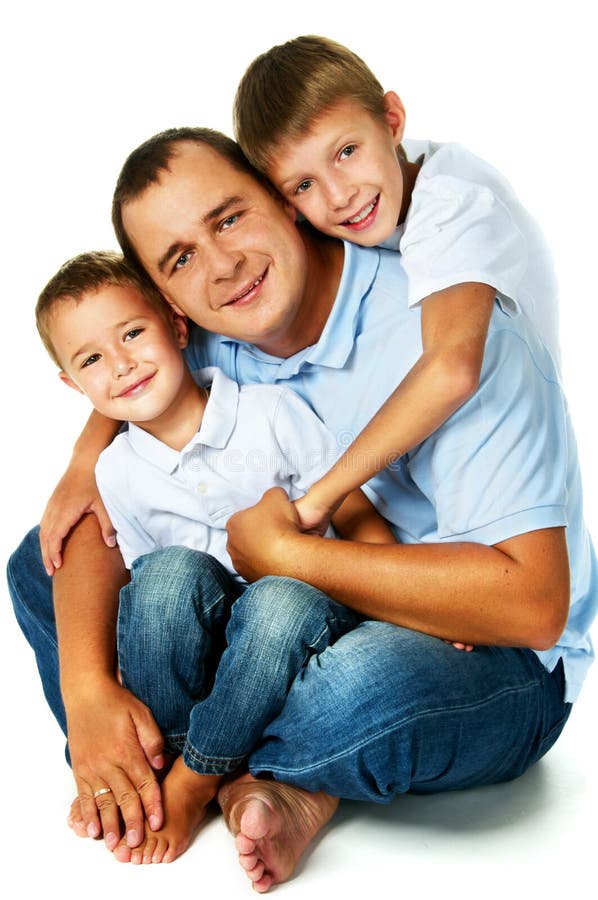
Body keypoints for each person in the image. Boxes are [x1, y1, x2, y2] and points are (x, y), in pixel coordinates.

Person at [8, 127, 596, 892]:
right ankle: (257, 771)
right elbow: (104, 469)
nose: (223, 267)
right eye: (181, 260)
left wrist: (290, 555)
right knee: (41, 563)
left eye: (229, 218)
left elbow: (534, 608)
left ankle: (205, 765)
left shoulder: (444, 326)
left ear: (286, 202)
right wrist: (88, 690)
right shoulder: (204, 340)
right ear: (166, 302)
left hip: (479, 650)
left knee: (357, 686)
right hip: (283, 617)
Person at [33, 248, 394, 862]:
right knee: (163, 578)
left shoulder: (270, 413)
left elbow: (355, 511)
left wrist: (410, 602)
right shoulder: (116, 470)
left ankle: (196, 778)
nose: (121, 365)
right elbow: (145, 609)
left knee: (278, 598)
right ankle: (167, 769)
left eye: (133, 334)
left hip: (298, 624)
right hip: (208, 662)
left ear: (176, 326)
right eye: (93, 359)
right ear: (75, 385)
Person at [233, 35, 561, 537]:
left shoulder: (454, 203)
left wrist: (320, 497)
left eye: (345, 151)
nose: (339, 196)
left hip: (510, 476)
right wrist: (90, 451)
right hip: (430, 498)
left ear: (392, 120)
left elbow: (452, 371)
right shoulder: (378, 192)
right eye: (302, 185)